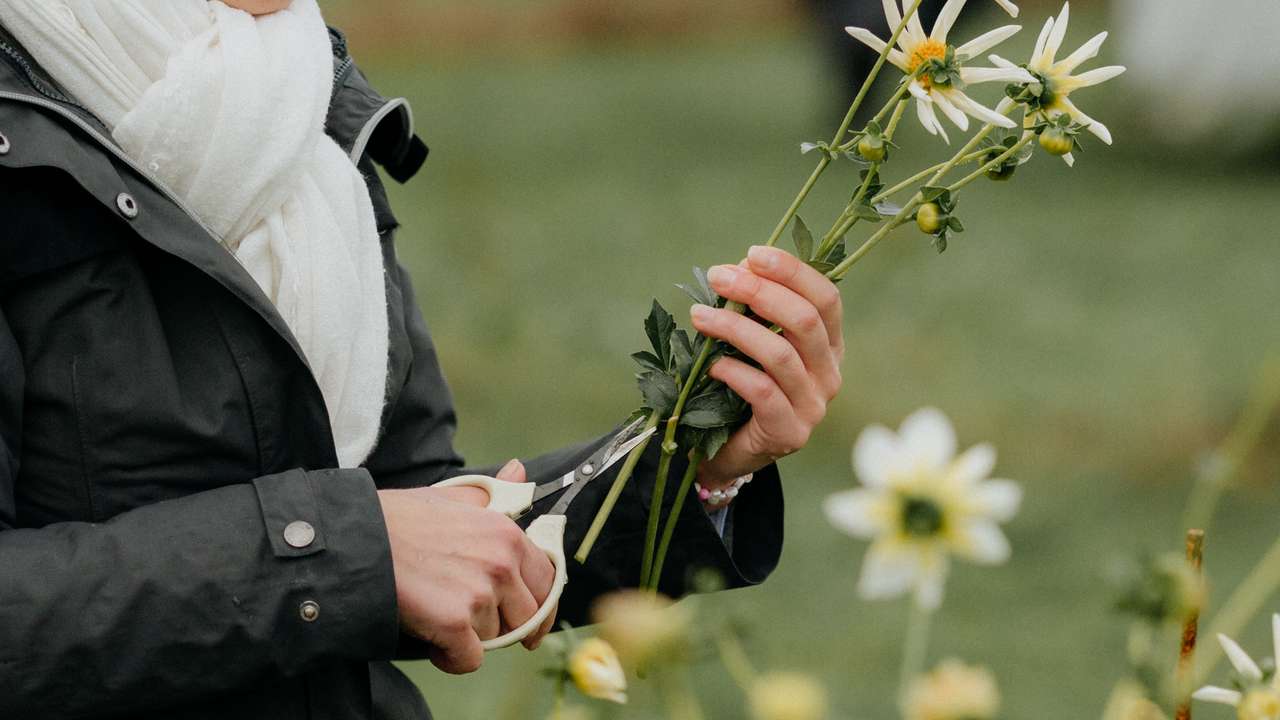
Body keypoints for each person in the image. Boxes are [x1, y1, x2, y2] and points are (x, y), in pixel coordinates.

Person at [0, 1, 846, 718]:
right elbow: (372, 545)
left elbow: (420, 511)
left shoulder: (285, 87)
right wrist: (341, 553)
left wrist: (693, 458)